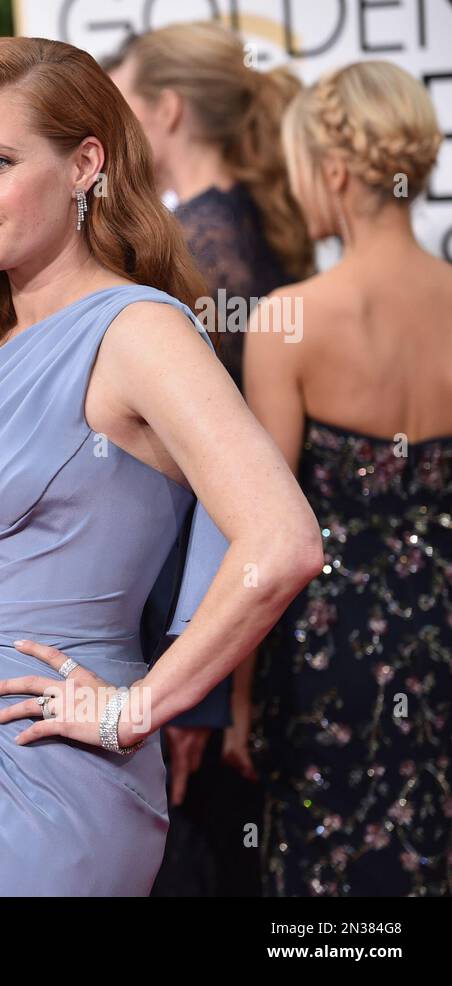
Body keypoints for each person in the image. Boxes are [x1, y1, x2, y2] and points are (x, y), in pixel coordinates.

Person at [0, 36, 322, 896]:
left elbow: (282, 542)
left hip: (56, 775)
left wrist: (136, 708)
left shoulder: (137, 332)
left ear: (86, 163)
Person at [107, 20, 315, 896]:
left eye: (119, 111)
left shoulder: (195, 250)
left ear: (166, 111)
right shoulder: (259, 228)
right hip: (250, 635)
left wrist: (188, 683)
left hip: (207, 638)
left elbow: (217, 482)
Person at [242, 60, 450, 896]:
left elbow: (265, 535)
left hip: (330, 663)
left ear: (331, 171)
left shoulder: (289, 322)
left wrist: (242, 701)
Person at [107, 22, 314, 392]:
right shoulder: (255, 209)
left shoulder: (200, 241)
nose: (110, 127)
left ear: (169, 109)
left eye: (120, 107)